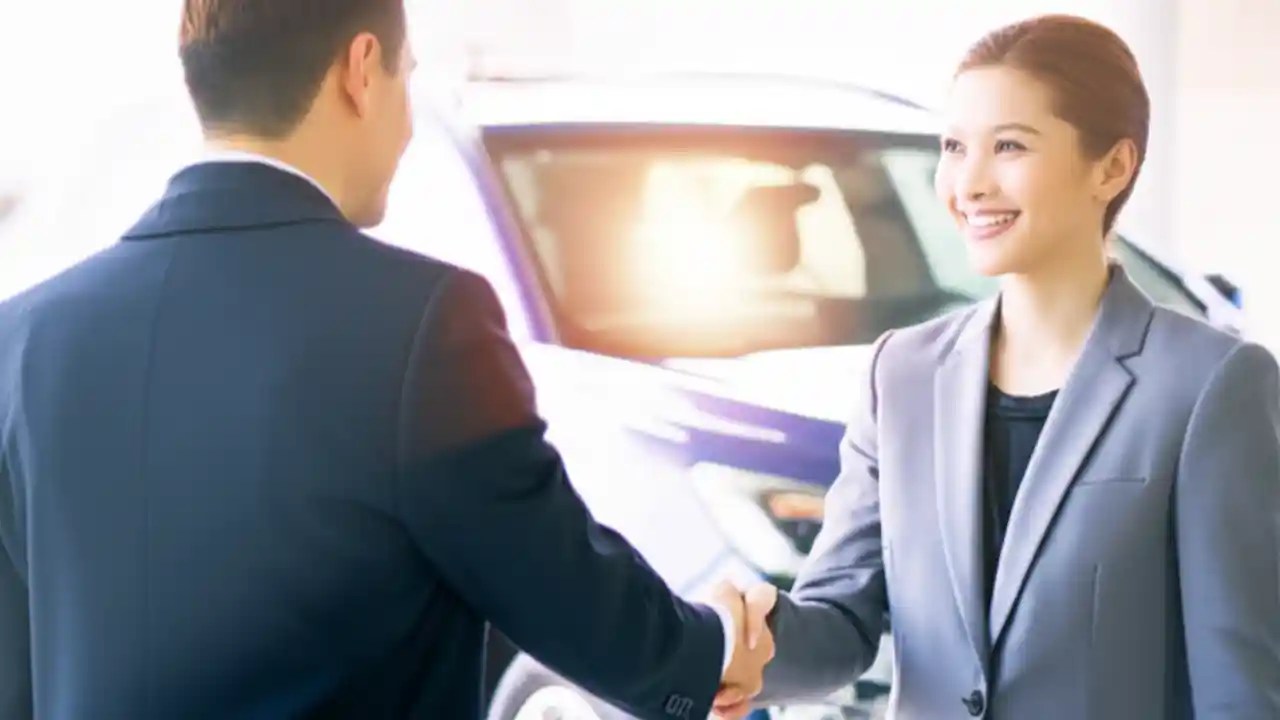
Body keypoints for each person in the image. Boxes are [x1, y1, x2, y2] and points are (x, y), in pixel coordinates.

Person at [0, 1, 774, 718]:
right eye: (408, 74)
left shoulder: (23, 342)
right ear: (362, 69)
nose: (406, 124)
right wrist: (712, 652)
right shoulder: (423, 324)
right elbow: (573, 597)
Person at [713, 13, 1280, 720]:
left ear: (1113, 166)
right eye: (955, 147)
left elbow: (1239, 688)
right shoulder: (903, 375)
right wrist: (737, 645)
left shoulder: (1210, 386)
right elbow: (843, 621)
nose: (969, 182)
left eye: (1009, 146)